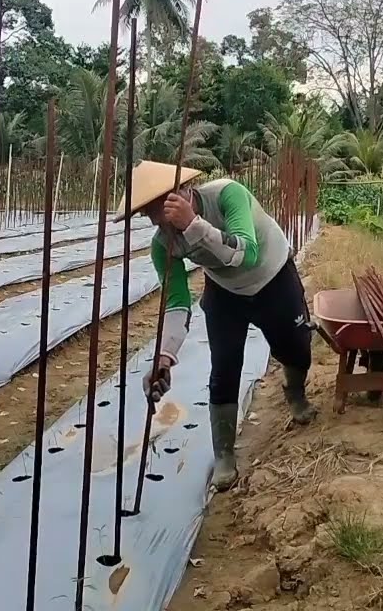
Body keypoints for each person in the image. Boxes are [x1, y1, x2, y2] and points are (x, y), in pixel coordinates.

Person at [114, 160, 316, 491]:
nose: (154, 221)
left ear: (181, 194)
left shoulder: (227, 195)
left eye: (157, 210)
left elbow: (245, 255)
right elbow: (177, 302)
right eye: (147, 215)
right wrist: (164, 356)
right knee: (223, 368)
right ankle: (224, 454)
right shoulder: (162, 245)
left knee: (296, 347)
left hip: (273, 275)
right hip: (225, 292)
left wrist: (193, 225)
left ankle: (295, 394)